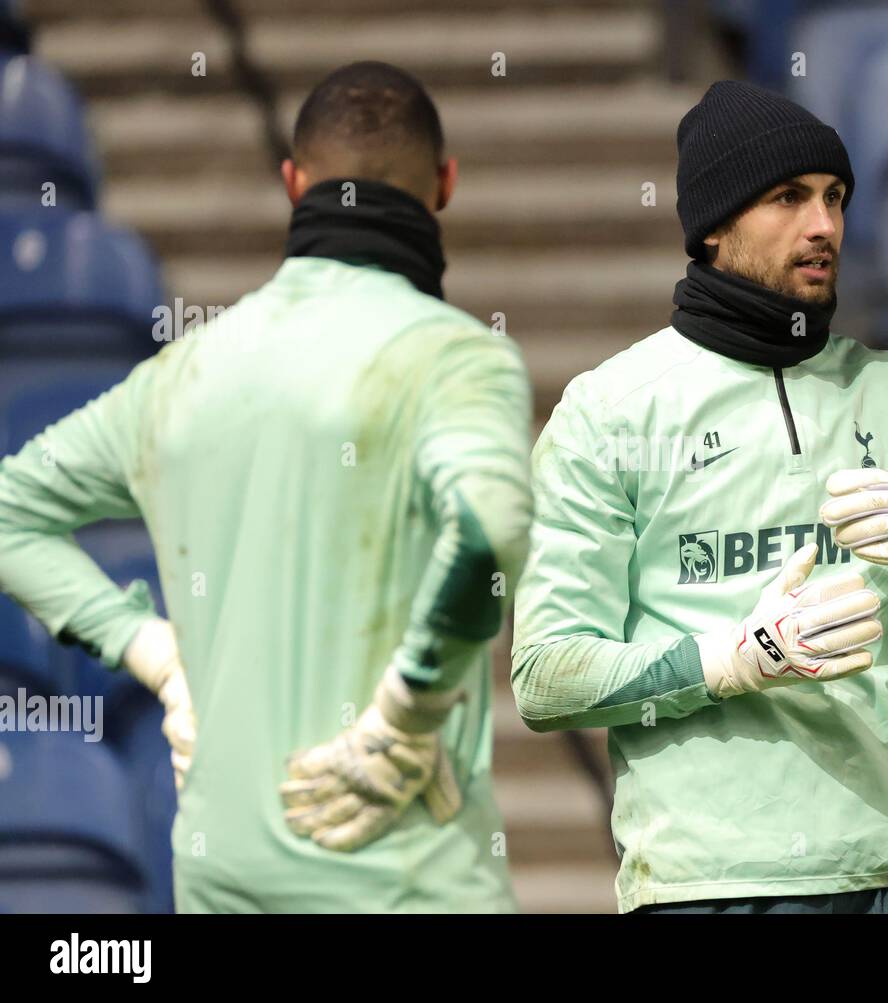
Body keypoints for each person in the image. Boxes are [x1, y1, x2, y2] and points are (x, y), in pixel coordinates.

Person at [510, 80, 888, 914]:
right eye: (788, 198)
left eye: (835, 197)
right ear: (714, 227)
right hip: (716, 887)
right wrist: (732, 660)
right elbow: (546, 676)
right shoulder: (611, 408)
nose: (824, 225)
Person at [0, 61, 533, 912]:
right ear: (445, 185)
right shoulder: (457, 358)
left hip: (224, 880)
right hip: (408, 880)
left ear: (293, 185)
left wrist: (155, 656)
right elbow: (490, 527)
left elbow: (7, 512)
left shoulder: (181, 374)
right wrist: (404, 712)